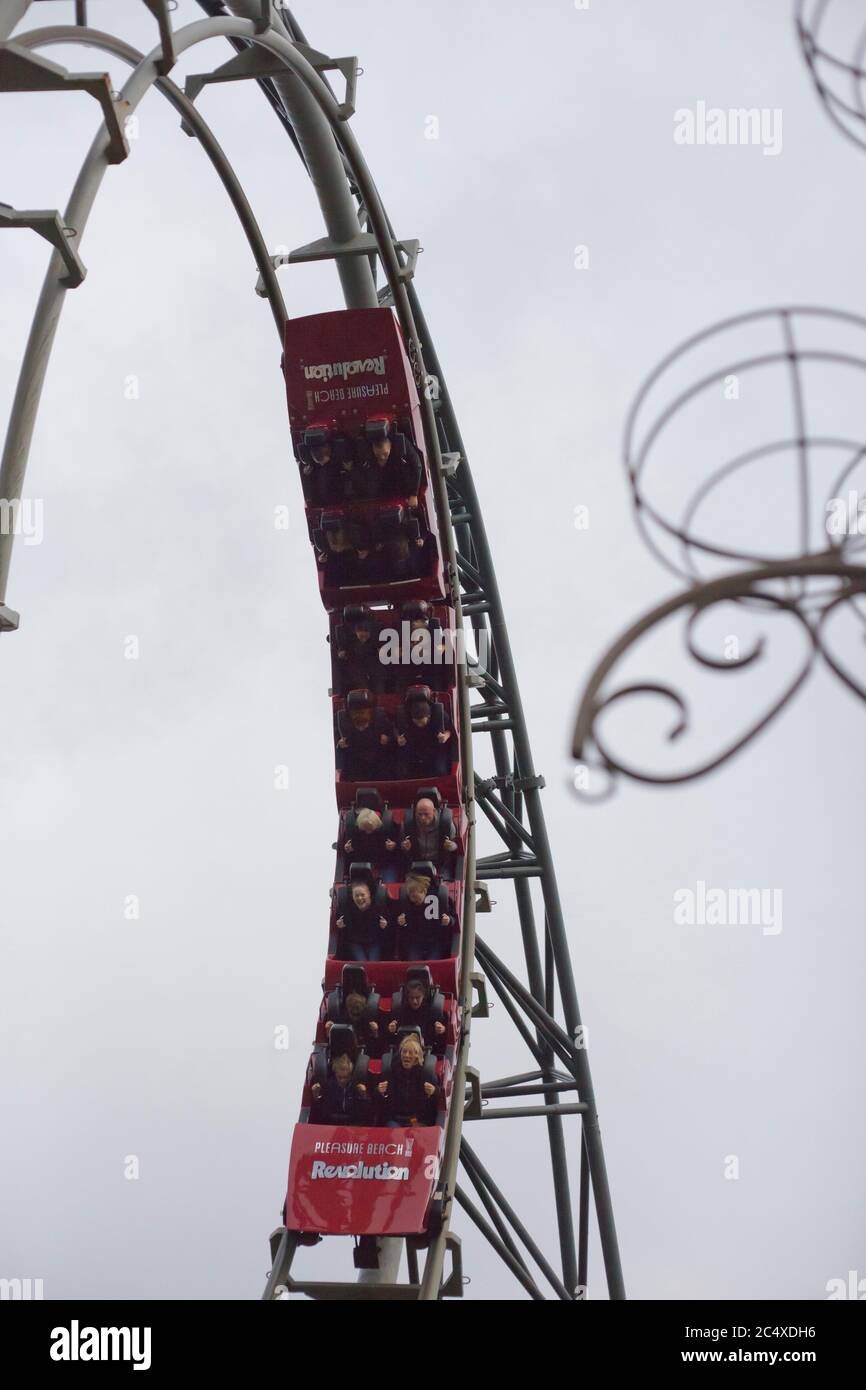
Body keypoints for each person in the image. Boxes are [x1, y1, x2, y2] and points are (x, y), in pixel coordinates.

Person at [356, 417, 422, 506]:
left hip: (399, 478)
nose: (382, 458)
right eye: (378, 455)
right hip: (379, 485)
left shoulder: (401, 444)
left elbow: (417, 465)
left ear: (390, 445)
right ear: (372, 448)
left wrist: (414, 494)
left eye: (385, 454)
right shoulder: (365, 451)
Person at [377, 1034, 438, 1127]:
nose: (406, 1055)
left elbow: (437, 1102)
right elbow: (379, 1102)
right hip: (395, 1119)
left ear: (417, 1056)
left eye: (410, 1053)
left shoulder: (425, 1074)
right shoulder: (391, 1071)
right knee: (393, 1135)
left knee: (416, 1135)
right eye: (404, 1052)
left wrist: (434, 1092)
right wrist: (379, 1092)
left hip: (415, 1119)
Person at [335, 690, 394, 780]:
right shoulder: (341, 720)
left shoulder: (380, 717)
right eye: (355, 712)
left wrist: (388, 740)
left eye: (362, 712)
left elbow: (393, 741)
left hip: (378, 764)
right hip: (355, 766)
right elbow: (337, 752)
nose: (359, 714)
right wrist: (340, 745)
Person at [395, 688, 453, 778]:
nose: (419, 725)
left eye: (421, 722)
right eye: (416, 722)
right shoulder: (403, 716)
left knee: (440, 771)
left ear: (428, 717)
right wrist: (398, 737)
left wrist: (445, 736)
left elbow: (451, 730)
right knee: (401, 771)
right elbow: (395, 728)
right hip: (413, 748)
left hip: (434, 748)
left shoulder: (440, 715)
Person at [395, 871, 453, 961]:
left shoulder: (438, 899)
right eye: (410, 896)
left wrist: (448, 920)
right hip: (416, 942)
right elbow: (404, 931)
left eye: (415, 896)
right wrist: (402, 923)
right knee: (413, 964)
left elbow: (453, 918)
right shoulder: (407, 905)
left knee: (432, 963)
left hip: (434, 942)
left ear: (424, 891)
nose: (412, 899)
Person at [387, 971, 448, 1053]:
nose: (414, 1001)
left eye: (417, 997)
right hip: (403, 1051)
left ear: (424, 995)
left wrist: (441, 1030)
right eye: (411, 998)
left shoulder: (432, 1011)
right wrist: (391, 1029)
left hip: (425, 1051)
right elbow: (390, 1039)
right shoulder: (400, 1011)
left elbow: (440, 1042)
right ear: (407, 997)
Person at [335, 879, 390, 962]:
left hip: (374, 941)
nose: (360, 898)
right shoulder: (346, 908)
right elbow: (343, 932)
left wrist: (386, 925)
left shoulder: (379, 904)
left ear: (369, 895)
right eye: (356, 896)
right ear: (353, 897)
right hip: (356, 942)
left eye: (362, 895)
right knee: (362, 963)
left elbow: (391, 926)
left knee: (372, 964)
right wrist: (340, 926)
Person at [310, 1052, 371, 1125]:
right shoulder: (328, 1085)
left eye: (346, 1077)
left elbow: (366, 1112)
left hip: (352, 1123)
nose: (342, 1080)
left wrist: (364, 1095)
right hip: (331, 1123)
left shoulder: (356, 1087)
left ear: (351, 1075)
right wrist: (316, 1095)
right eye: (339, 1077)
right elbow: (319, 1111)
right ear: (335, 1073)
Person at [334, 606, 383, 693]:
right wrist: (342, 653)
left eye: (366, 634)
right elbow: (341, 651)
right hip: (357, 668)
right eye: (361, 634)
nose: (363, 637)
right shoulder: (346, 639)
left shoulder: (376, 637)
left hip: (374, 666)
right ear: (356, 632)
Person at [400, 795, 458, 866]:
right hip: (416, 863)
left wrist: (451, 846)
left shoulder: (445, 824)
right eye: (419, 814)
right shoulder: (408, 824)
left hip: (441, 863)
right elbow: (401, 846)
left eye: (426, 814)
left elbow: (456, 846)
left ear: (433, 811)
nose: (423, 818)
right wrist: (405, 847)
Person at [324, 989, 383, 1057]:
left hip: (364, 1055)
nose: (355, 1014)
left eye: (358, 1013)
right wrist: (329, 1032)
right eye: (353, 1013)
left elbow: (377, 1047)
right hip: (344, 1053)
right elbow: (333, 1044)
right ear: (348, 1009)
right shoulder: (339, 1020)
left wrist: (375, 1032)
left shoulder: (369, 1020)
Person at [343, 806, 398, 876]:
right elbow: (350, 857)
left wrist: (394, 846)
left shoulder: (386, 828)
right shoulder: (355, 833)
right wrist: (347, 849)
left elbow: (399, 848)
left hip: (384, 864)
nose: (368, 832)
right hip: (362, 865)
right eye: (365, 829)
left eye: (371, 829)